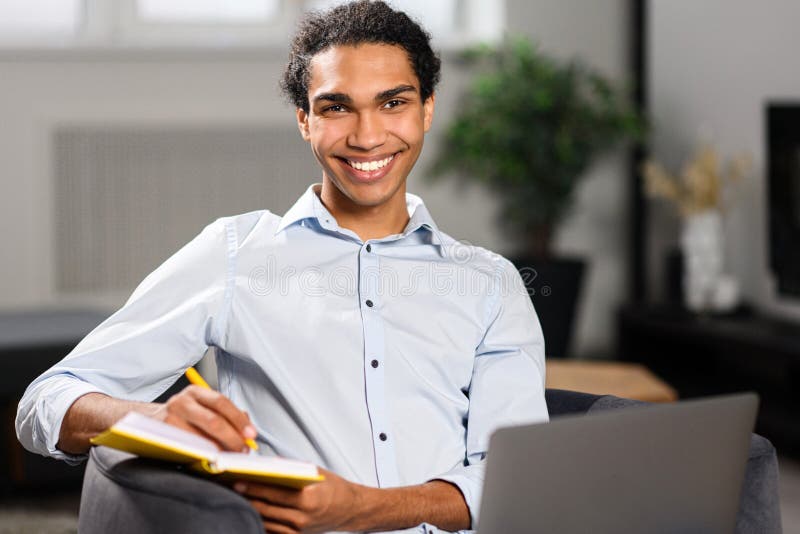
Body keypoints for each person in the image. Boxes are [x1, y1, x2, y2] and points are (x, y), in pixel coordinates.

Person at [16, 2, 548, 532]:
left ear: (427, 109)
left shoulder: (491, 283)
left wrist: (363, 507)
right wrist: (153, 419)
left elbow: (516, 480)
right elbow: (44, 403)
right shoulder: (236, 255)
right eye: (336, 107)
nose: (367, 136)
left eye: (393, 103)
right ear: (304, 121)